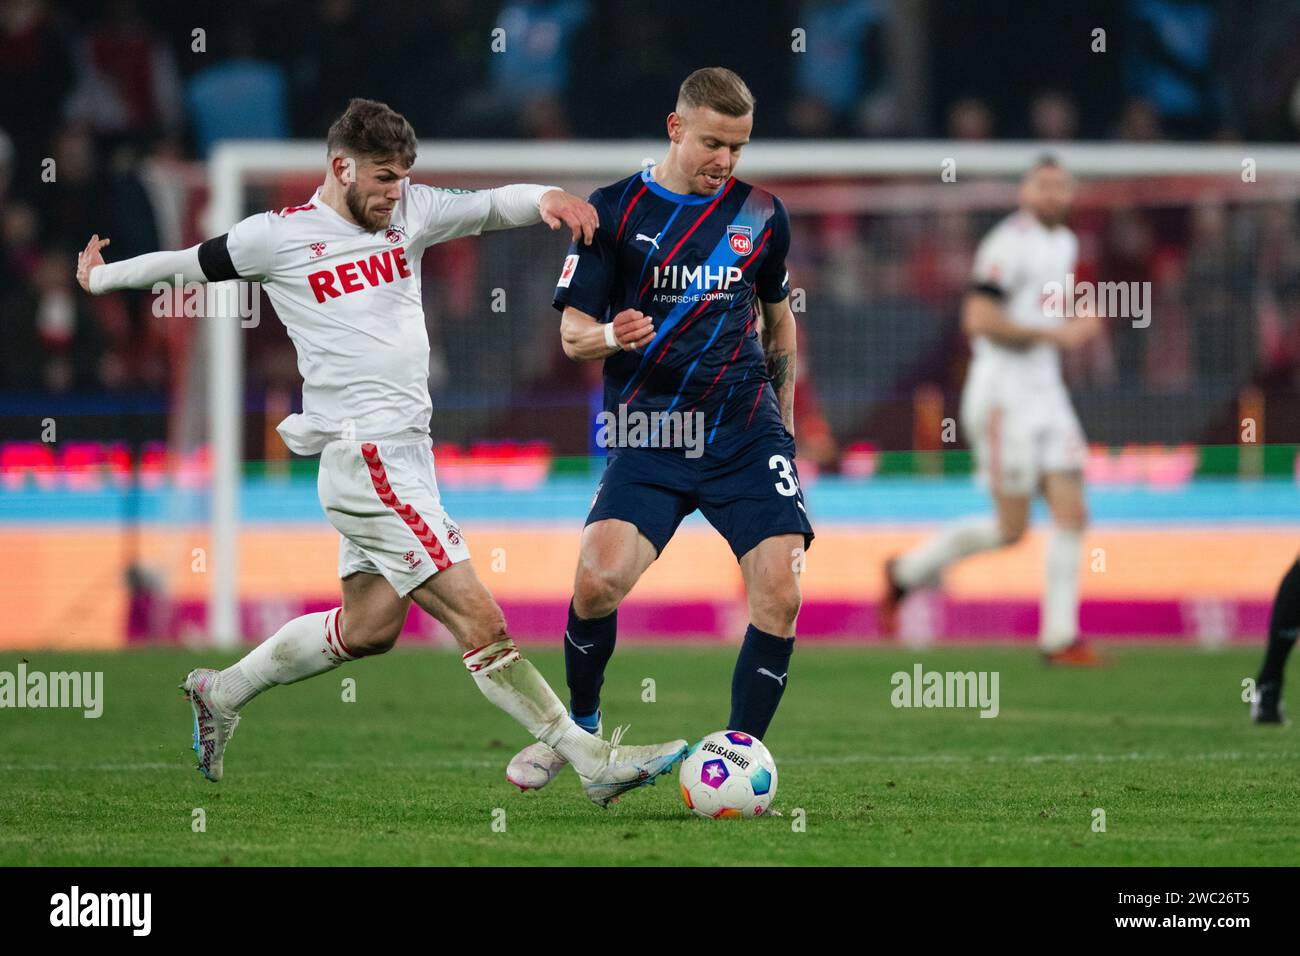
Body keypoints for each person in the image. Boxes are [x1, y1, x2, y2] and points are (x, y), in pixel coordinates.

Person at [75, 97, 686, 805]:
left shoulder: (412, 213)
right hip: (367, 461)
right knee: (480, 620)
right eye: (384, 178)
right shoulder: (277, 238)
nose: (396, 193)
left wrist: (548, 196)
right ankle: (591, 761)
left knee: (368, 629)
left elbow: (489, 206)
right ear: (341, 167)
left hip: (403, 457)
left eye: (403, 178)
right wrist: (100, 277)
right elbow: (187, 265)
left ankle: (223, 689)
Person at [507, 67, 813, 791]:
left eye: (738, 148)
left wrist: (787, 428)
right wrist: (614, 334)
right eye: (713, 144)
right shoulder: (611, 211)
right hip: (652, 434)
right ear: (676, 128)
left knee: (780, 592)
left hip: (745, 434)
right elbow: (573, 336)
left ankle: (738, 757)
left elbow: (778, 319)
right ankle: (580, 728)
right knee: (596, 582)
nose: (725, 163)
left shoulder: (763, 214)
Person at [881, 157, 1102, 664]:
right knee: (1011, 529)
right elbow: (979, 319)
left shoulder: (1065, 243)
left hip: (1048, 394)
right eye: (1043, 185)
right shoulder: (1007, 243)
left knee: (1073, 513)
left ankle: (1060, 638)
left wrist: (1077, 318)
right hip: (1005, 397)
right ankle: (906, 572)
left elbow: (1044, 310)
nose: (1052, 195)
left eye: (1060, 187)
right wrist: (1058, 333)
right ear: (1025, 190)